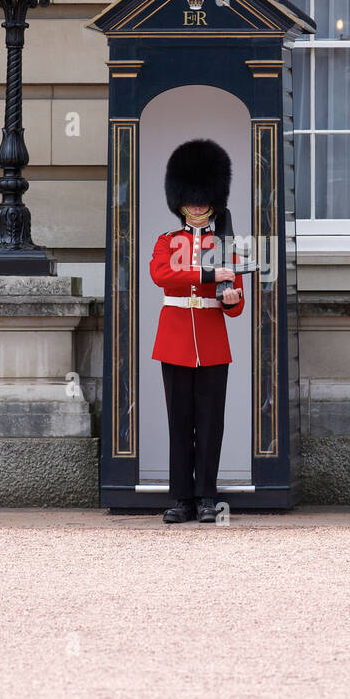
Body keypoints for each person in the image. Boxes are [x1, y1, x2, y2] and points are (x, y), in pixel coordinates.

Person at [149, 139, 245, 523]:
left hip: (211, 342)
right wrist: (209, 274)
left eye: (203, 199)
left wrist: (230, 295)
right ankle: (180, 498)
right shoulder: (166, 242)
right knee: (180, 424)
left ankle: (207, 496)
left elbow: (236, 307)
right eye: (190, 199)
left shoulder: (224, 245)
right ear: (180, 202)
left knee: (209, 425)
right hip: (174, 343)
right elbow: (163, 276)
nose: (197, 206)